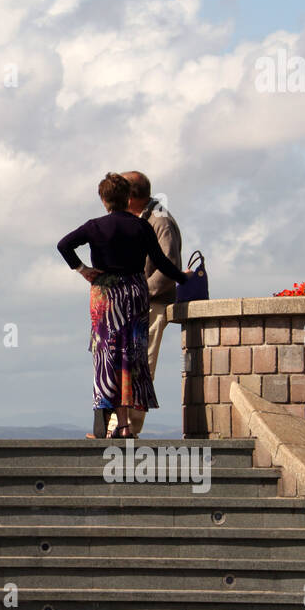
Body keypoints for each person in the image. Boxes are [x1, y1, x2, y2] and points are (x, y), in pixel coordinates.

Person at [57, 173, 188, 439]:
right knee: (132, 358)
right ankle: (125, 424)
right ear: (127, 198)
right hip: (136, 294)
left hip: (106, 295)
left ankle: (103, 424)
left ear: (104, 199)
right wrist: (184, 278)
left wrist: (83, 269)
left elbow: (64, 245)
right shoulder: (141, 227)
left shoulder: (95, 226)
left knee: (106, 357)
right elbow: (162, 263)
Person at [120, 170, 183, 438]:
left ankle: (129, 428)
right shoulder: (144, 217)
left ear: (132, 197)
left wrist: (140, 291)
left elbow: (169, 267)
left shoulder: (160, 220)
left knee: (142, 365)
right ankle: (118, 427)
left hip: (151, 303)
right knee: (127, 365)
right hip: (137, 302)